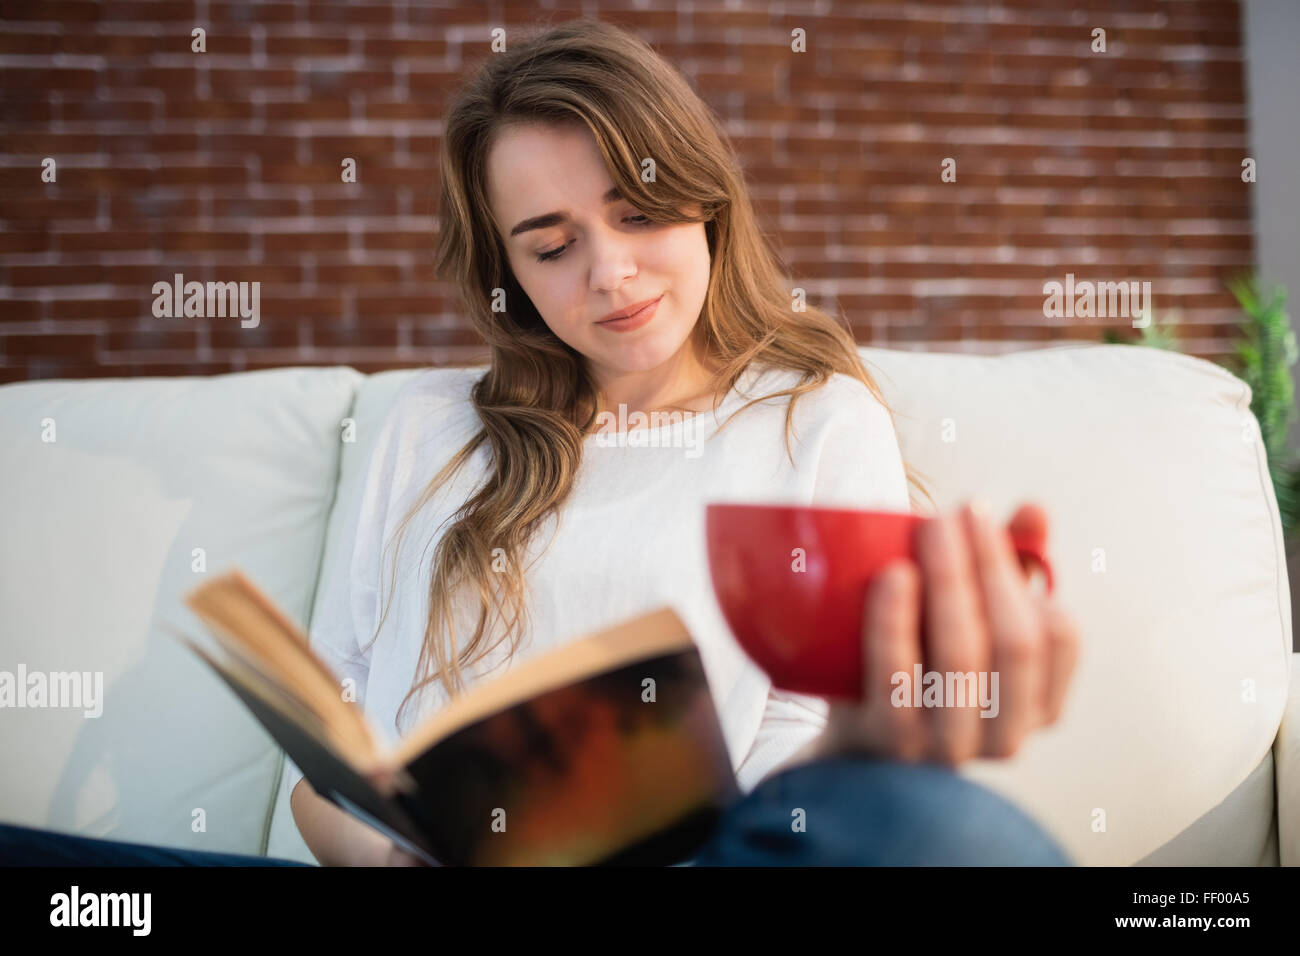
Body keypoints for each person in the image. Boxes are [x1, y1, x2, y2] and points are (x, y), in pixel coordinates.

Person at [0, 18, 1078, 868]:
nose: (607, 274)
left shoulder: (811, 417)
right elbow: (325, 754)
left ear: (702, 199)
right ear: (506, 274)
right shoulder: (427, 426)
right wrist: (386, 855)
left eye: (638, 212)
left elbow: (810, 745)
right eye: (552, 246)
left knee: (950, 840)